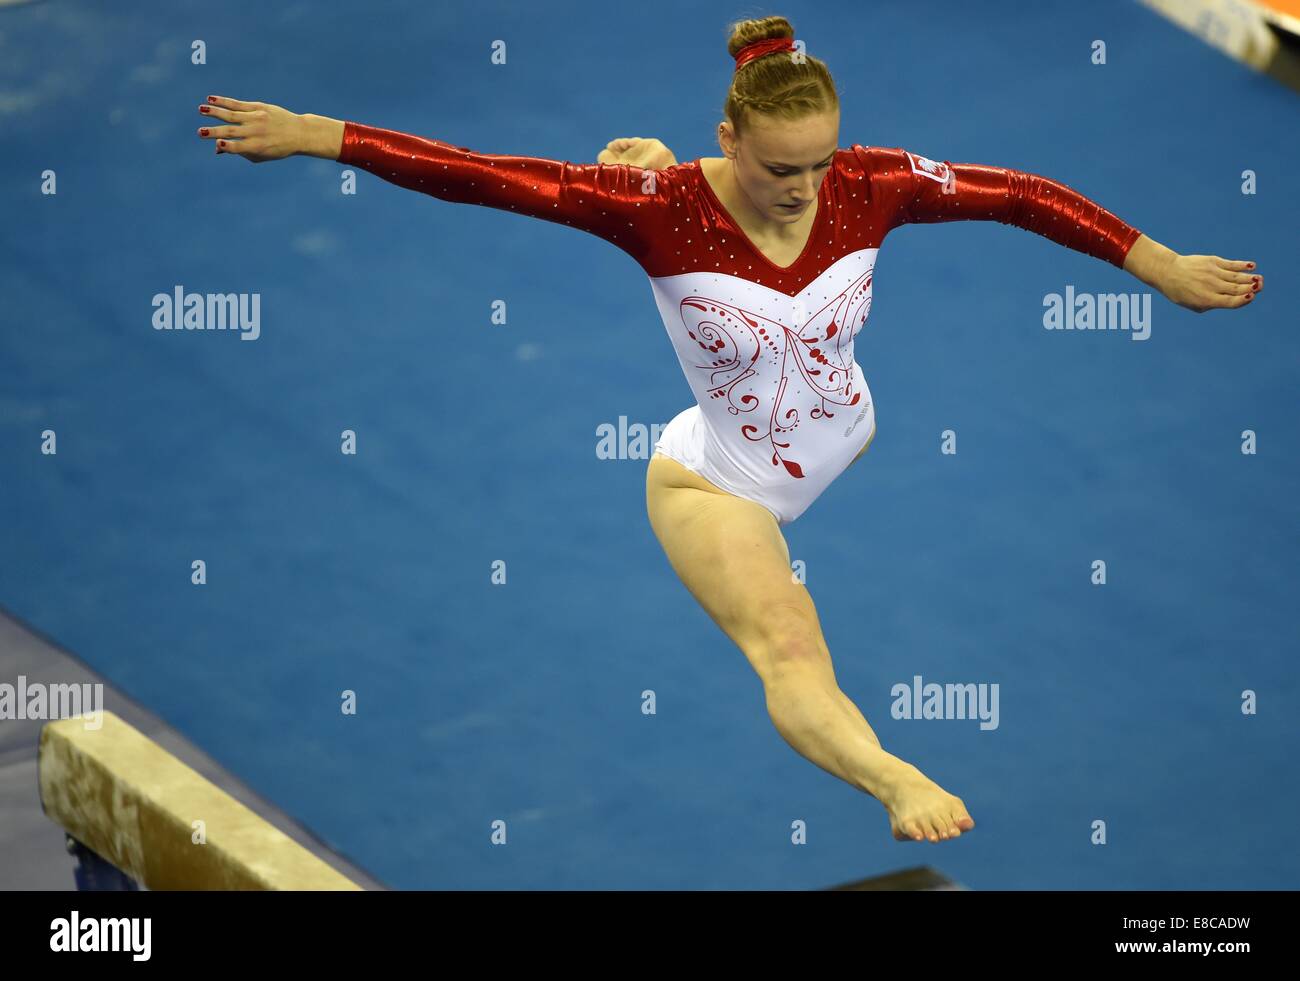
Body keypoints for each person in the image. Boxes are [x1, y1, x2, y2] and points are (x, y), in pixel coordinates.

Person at [194, 16, 1262, 845]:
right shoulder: (652, 206)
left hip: (845, 428)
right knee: (787, 646)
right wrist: (314, 134)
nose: (803, 191)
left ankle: (759, 45)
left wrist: (1155, 264)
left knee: (814, 228)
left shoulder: (868, 185)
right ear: (727, 139)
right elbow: (481, 175)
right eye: (775, 169)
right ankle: (890, 773)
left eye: (817, 164)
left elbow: (1020, 195)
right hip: (721, 483)